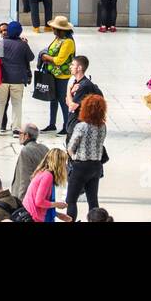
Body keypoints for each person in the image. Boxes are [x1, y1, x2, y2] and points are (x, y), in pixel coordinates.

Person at [65, 93, 107, 221]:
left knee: (71, 200)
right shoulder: (102, 127)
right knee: (93, 201)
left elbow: (71, 148)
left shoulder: (81, 126)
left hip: (80, 166)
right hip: (96, 166)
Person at [0, 19, 34, 136]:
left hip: (3, 78)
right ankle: (16, 130)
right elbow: (31, 57)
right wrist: (25, 44)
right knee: (17, 104)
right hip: (18, 79)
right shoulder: (23, 45)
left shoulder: (1, 43)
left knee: (0, 102)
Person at [38, 16, 76, 135]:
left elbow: (59, 60)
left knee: (63, 101)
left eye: (54, 28)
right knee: (53, 99)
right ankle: (52, 124)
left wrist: (45, 57)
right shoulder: (58, 38)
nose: (53, 30)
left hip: (62, 76)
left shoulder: (68, 42)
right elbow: (50, 50)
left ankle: (66, 125)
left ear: (61, 30)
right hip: (52, 74)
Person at [23, 147, 71, 223]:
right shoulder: (47, 176)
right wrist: (57, 204)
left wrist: (57, 214)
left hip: (30, 214)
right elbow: (39, 202)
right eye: (64, 162)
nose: (65, 165)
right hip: (33, 217)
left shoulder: (42, 173)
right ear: (58, 163)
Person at [12, 123, 50, 199]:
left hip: (27, 198)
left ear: (26, 136)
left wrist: (22, 201)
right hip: (41, 195)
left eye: (20, 133)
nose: (19, 136)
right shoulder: (45, 148)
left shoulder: (26, 151)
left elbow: (25, 179)